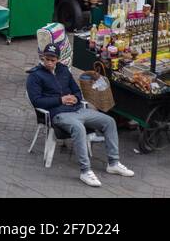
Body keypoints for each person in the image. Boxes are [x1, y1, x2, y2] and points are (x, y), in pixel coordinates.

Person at [26, 44, 133, 187]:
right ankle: (85, 171)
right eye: (47, 59)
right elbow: (36, 101)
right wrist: (60, 100)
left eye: (53, 60)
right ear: (42, 58)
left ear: (58, 59)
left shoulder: (63, 70)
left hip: (78, 109)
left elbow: (76, 90)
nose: (50, 63)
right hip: (59, 113)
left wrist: (76, 98)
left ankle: (113, 163)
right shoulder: (35, 75)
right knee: (78, 128)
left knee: (109, 121)